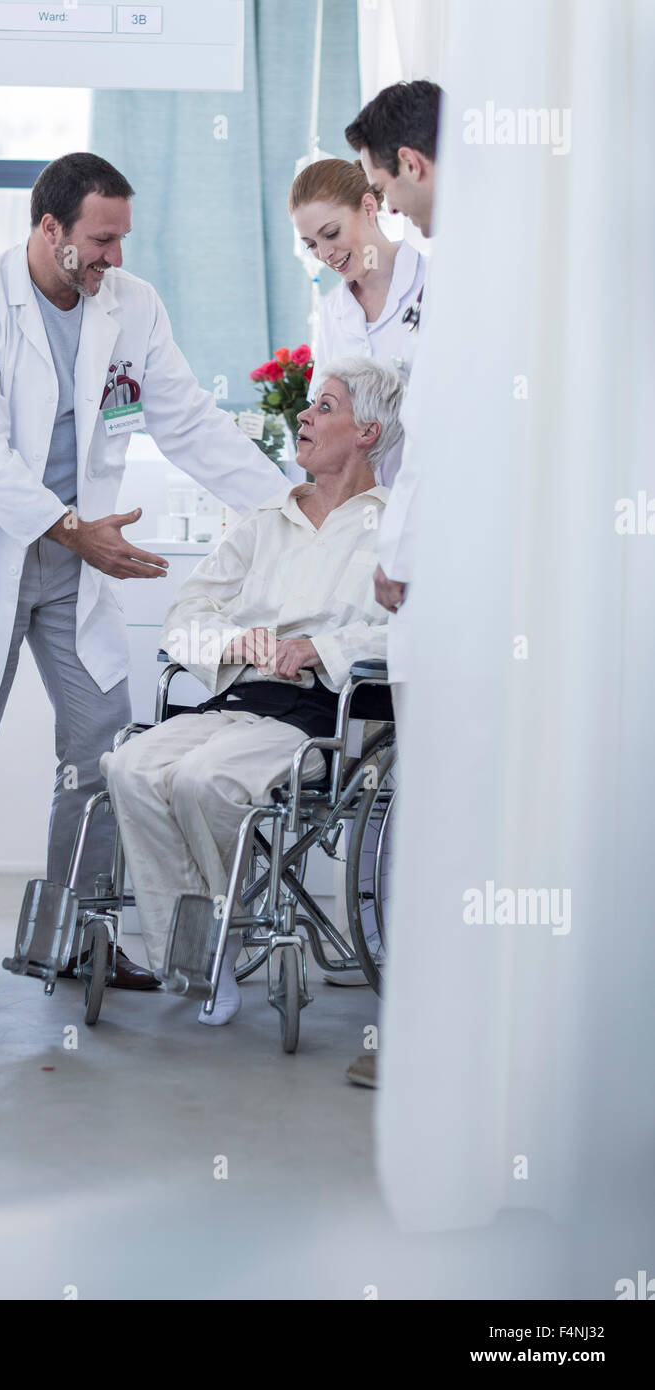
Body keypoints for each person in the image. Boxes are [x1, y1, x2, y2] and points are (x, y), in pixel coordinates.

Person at [0, 152, 284, 984]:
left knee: (103, 751)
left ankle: (79, 934)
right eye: (101, 241)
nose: (115, 259)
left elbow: (188, 422)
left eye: (122, 241)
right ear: (50, 229)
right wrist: (75, 530)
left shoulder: (132, 307)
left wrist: (289, 502)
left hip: (78, 566)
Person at [101, 358, 402, 1025]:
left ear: (367, 431)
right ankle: (194, 946)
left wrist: (316, 649)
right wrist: (233, 644)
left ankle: (218, 948)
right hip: (235, 699)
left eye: (324, 406)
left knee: (204, 781)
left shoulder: (397, 529)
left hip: (317, 716)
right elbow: (187, 615)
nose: (303, 415)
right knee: (129, 765)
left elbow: (410, 630)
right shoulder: (263, 521)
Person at [341, 79, 444, 1086]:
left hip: (443, 588)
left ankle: (422, 1030)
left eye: (380, 187)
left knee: (441, 817)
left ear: (408, 165)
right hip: (454, 578)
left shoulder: (459, 279)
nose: (388, 208)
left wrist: (394, 559)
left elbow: (438, 449)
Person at [288, 157, 426, 487]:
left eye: (331, 233)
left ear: (367, 207)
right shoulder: (334, 311)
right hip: (359, 509)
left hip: (434, 498)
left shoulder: (433, 285)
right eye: (311, 245)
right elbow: (327, 419)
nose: (324, 254)